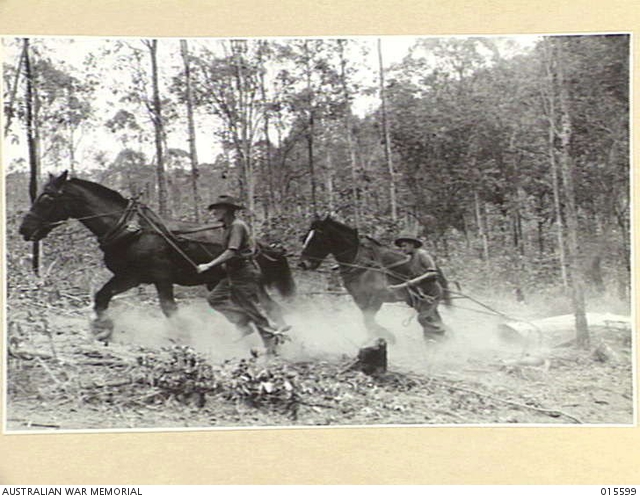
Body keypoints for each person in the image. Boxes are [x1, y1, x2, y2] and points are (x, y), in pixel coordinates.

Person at [196, 194, 286, 355]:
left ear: (228, 210)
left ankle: (272, 344)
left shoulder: (237, 226)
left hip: (245, 274)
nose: (214, 212)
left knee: (252, 309)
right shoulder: (227, 227)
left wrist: (209, 265)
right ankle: (243, 322)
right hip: (234, 274)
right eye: (213, 209)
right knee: (215, 298)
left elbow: (232, 251)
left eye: (218, 209)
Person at [394, 231, 448, 343]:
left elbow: (433, 272)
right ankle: (434, 341)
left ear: (412, 245)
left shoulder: (423, 254)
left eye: (404, 246)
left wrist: (409, 283)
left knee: (423, 317)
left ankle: (441, 338)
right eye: (401, 247)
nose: (402, 249)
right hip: (422, 292)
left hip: (432, 291)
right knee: (431, 317)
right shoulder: (410, 259)